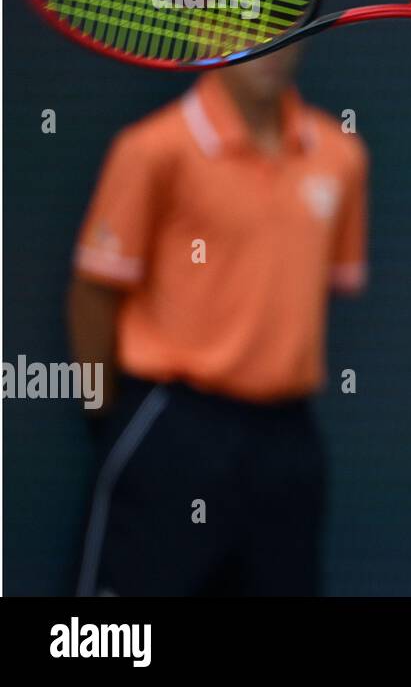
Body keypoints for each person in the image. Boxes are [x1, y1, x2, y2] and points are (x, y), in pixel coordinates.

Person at [68, 45, 369, 596]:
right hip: (172, 427)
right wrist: (106, 417)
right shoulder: (151, 150)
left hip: (288, 441)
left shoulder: (340, 155)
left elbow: (319, 285)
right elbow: (94, 292)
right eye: (248, 21)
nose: (272, 44)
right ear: (209, 32)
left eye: (285, 22)